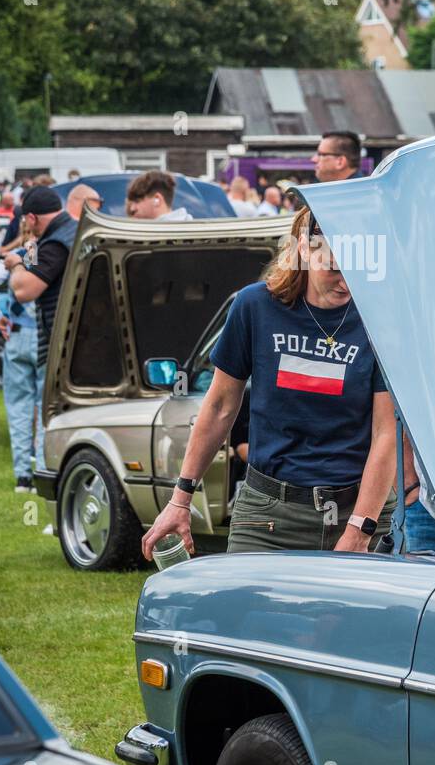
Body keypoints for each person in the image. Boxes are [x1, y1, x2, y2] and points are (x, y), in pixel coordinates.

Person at [141, 205, 397, 562]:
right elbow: (219, 407)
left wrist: (358, 530)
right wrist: (180, 499)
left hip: (359, 511)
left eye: (356, 269)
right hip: (268, 515)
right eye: (334, 267)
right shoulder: (255, 307)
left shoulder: (380, 320)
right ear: (305, 249)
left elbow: (386, 433)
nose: (345, 282)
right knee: (248, 617)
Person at [0, 217, 44, 493]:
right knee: (44, 408)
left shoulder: (18, 256)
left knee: (18, 406)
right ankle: (42, 468)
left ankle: (22, 476)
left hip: (16, 334)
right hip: (43, 335)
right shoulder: (53, 256)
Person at [5, 185, 78, 372]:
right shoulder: (73, 230)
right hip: (74, 336)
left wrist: (16, 264)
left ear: (31, 218)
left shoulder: (55, 243)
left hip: (64, 340)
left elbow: (23, 291)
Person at [124, 170, 192, 221]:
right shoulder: (193, 229)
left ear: (157, 199)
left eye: (137, 201)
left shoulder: (155, 234)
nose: (132, 208)